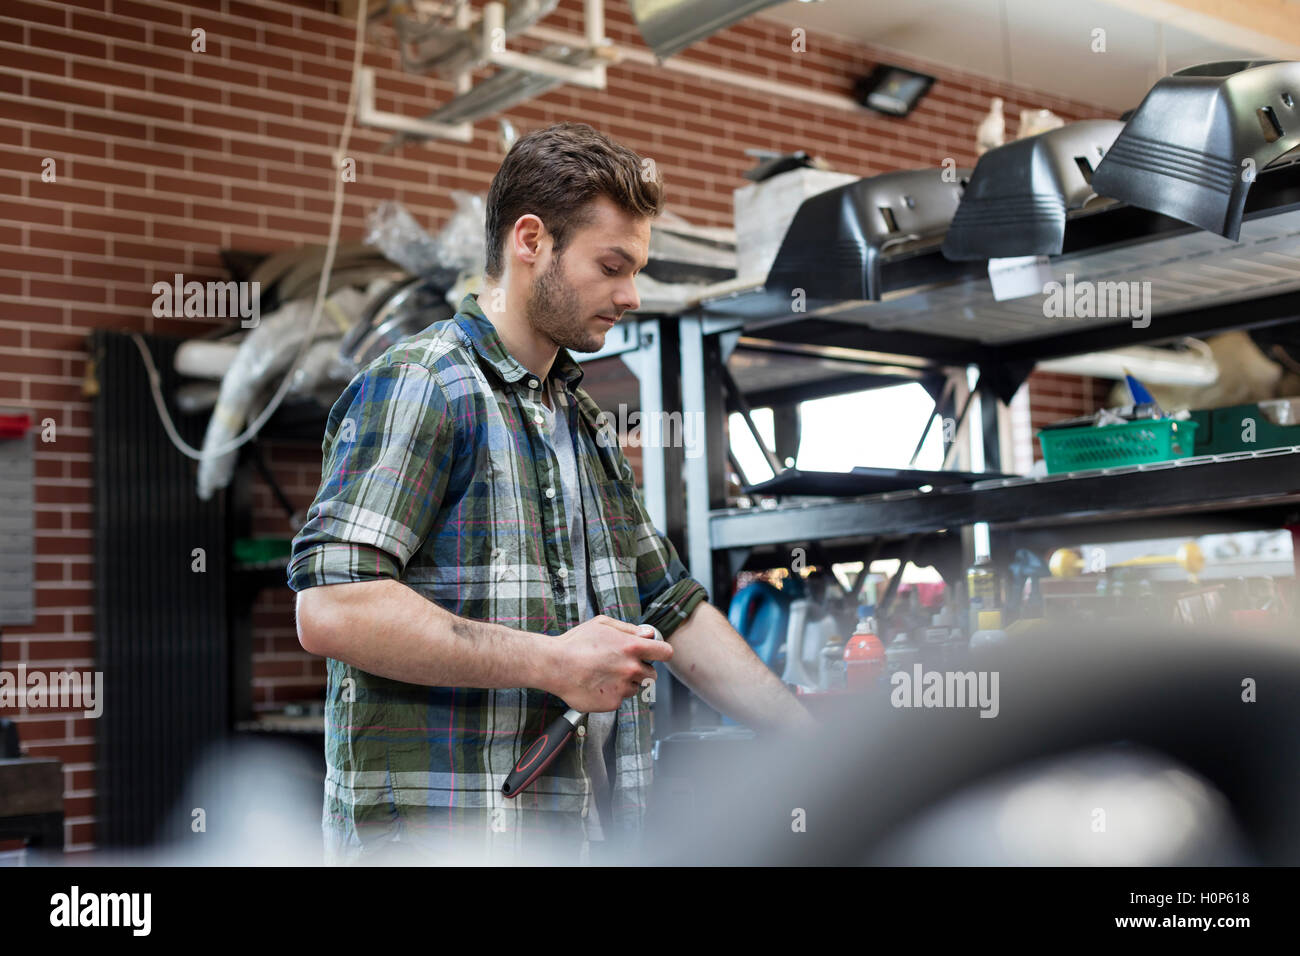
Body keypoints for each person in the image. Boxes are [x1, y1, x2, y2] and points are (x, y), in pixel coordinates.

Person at [289, 121, 813, 865]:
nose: (631, 295)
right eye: (612, 265)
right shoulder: (423, 383)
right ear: (530, 241)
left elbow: (674, 610)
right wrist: (552, 662)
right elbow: (333, 607)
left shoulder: (584, 422)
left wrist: (813, 742)